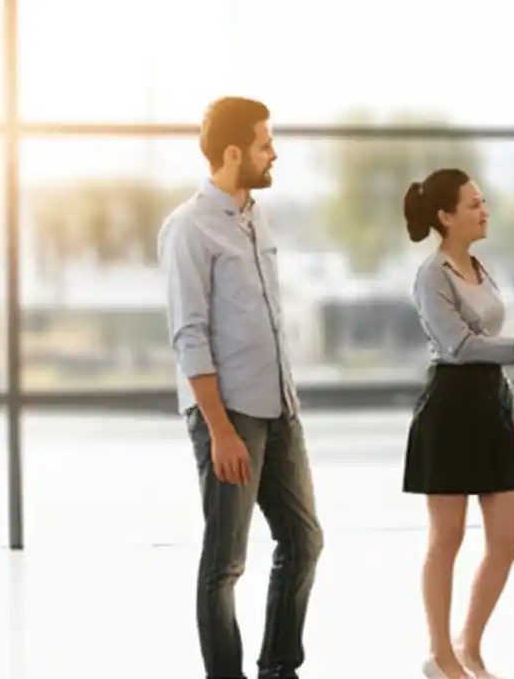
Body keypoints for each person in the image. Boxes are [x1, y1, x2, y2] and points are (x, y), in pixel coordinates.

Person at [158, 96, 323, 679]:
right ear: (234, 153)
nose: (273, 152)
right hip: (227, 415)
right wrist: (220, 430)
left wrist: (287, 404)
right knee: (226, 562)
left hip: (280, 408)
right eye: (263, 144)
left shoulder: (258, 217)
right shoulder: (187, 229)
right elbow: (189, 336)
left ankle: (280, 667)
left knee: (304, 541)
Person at [402, 168, 514, 679]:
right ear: (445, 216)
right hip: (450, 408)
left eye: (483, 202)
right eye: (474, 203)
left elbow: (490, 362)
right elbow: (461, 347)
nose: (485, 210)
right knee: (447, 537)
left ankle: (469, 644)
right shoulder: (431, 275)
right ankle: (440, 655)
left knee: (506, 538)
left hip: (489, 404)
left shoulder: (481, 267)